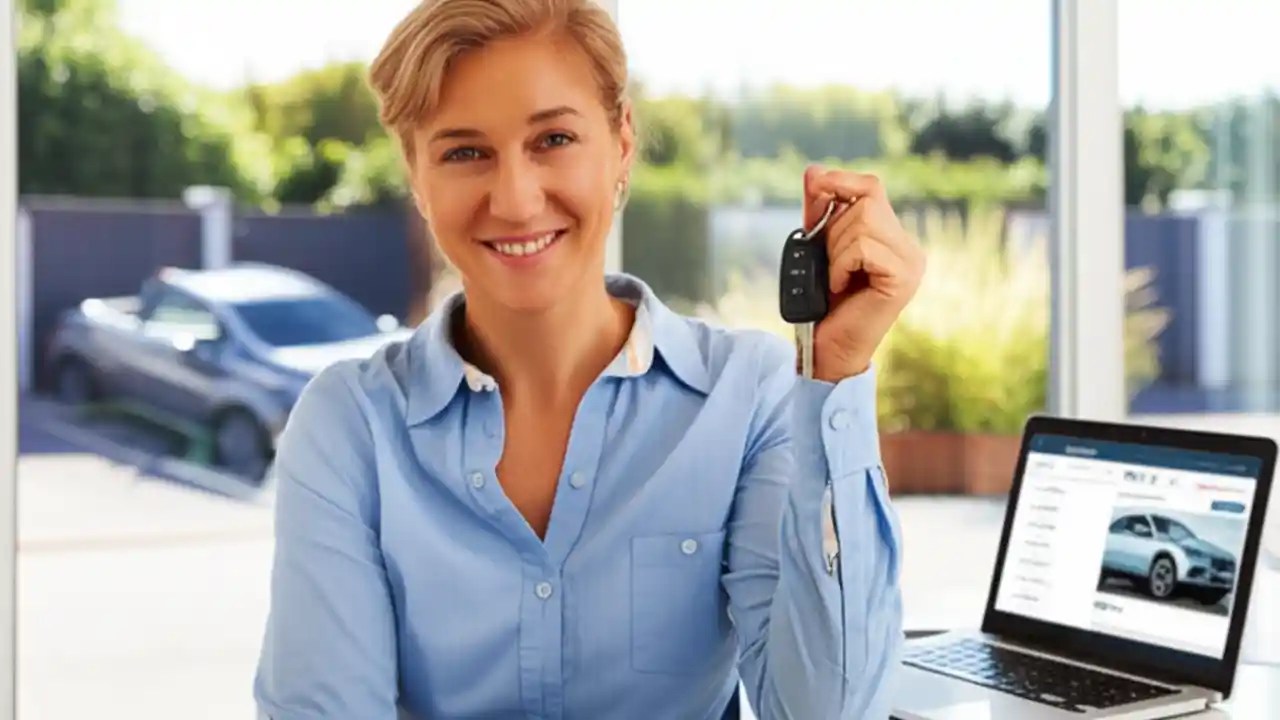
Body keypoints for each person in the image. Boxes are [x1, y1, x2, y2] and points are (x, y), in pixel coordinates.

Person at [252, 0, 926, 718]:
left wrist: (839, 373)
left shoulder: (748, 396)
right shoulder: (350, 426)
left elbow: (827, 711)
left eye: (554, 139)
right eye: (464, 151)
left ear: (622, 144)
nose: (514, 200)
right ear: (417, 177)